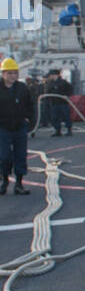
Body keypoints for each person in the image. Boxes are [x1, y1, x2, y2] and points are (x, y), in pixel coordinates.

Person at [0, 58, 34, 194]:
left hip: (20, 127)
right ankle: (4, 181)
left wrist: (28, 120)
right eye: (9, 73)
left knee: (20, 155)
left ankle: (19, 184)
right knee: (4, 156)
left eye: (15, 73)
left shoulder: (22, 88)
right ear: (3, 73)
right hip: (3, 127)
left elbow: (30, 105)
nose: (12, 76)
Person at [45, 68, 73, 135]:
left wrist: (67, 95)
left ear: (55, 75)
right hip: (54, 103)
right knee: (54, 117)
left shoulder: (63, 82)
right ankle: (57, 130)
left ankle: (69, 130)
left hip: (63, 102)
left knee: (66, 116)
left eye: (51, 75)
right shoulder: (50, 83)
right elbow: (48, 92)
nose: (50, 76)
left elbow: (70, 89)